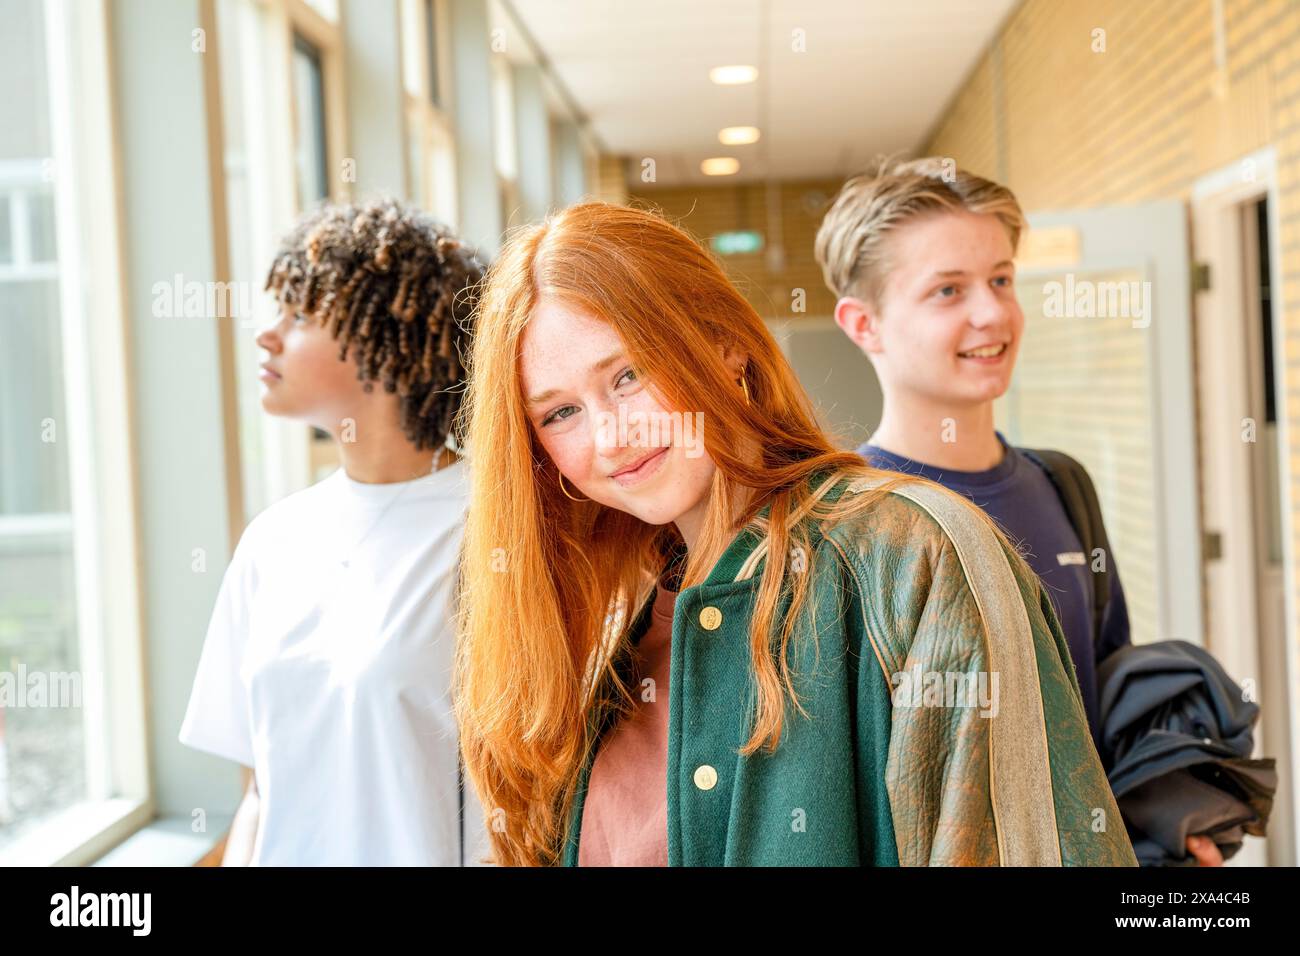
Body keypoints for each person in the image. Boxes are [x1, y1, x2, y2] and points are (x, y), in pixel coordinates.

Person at [452, 200, 1137, 867]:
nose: (611, 436)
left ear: (725, 345)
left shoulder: (915, 556)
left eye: (628, 375)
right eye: (562, 412)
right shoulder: (601, 625)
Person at [814, 156, 1221, 867]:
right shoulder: (842, 523)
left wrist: (1165, 822)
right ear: (864, 324)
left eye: (1001, 279)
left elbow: (1101, 703)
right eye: (948, 290)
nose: (993, 312)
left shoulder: (1061, 483)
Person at [179, 198, 488, 865]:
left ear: (388, 337)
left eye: (298, 315)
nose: (268, 335)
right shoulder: (273, 541)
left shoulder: (493, 530)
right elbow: (264, 786)